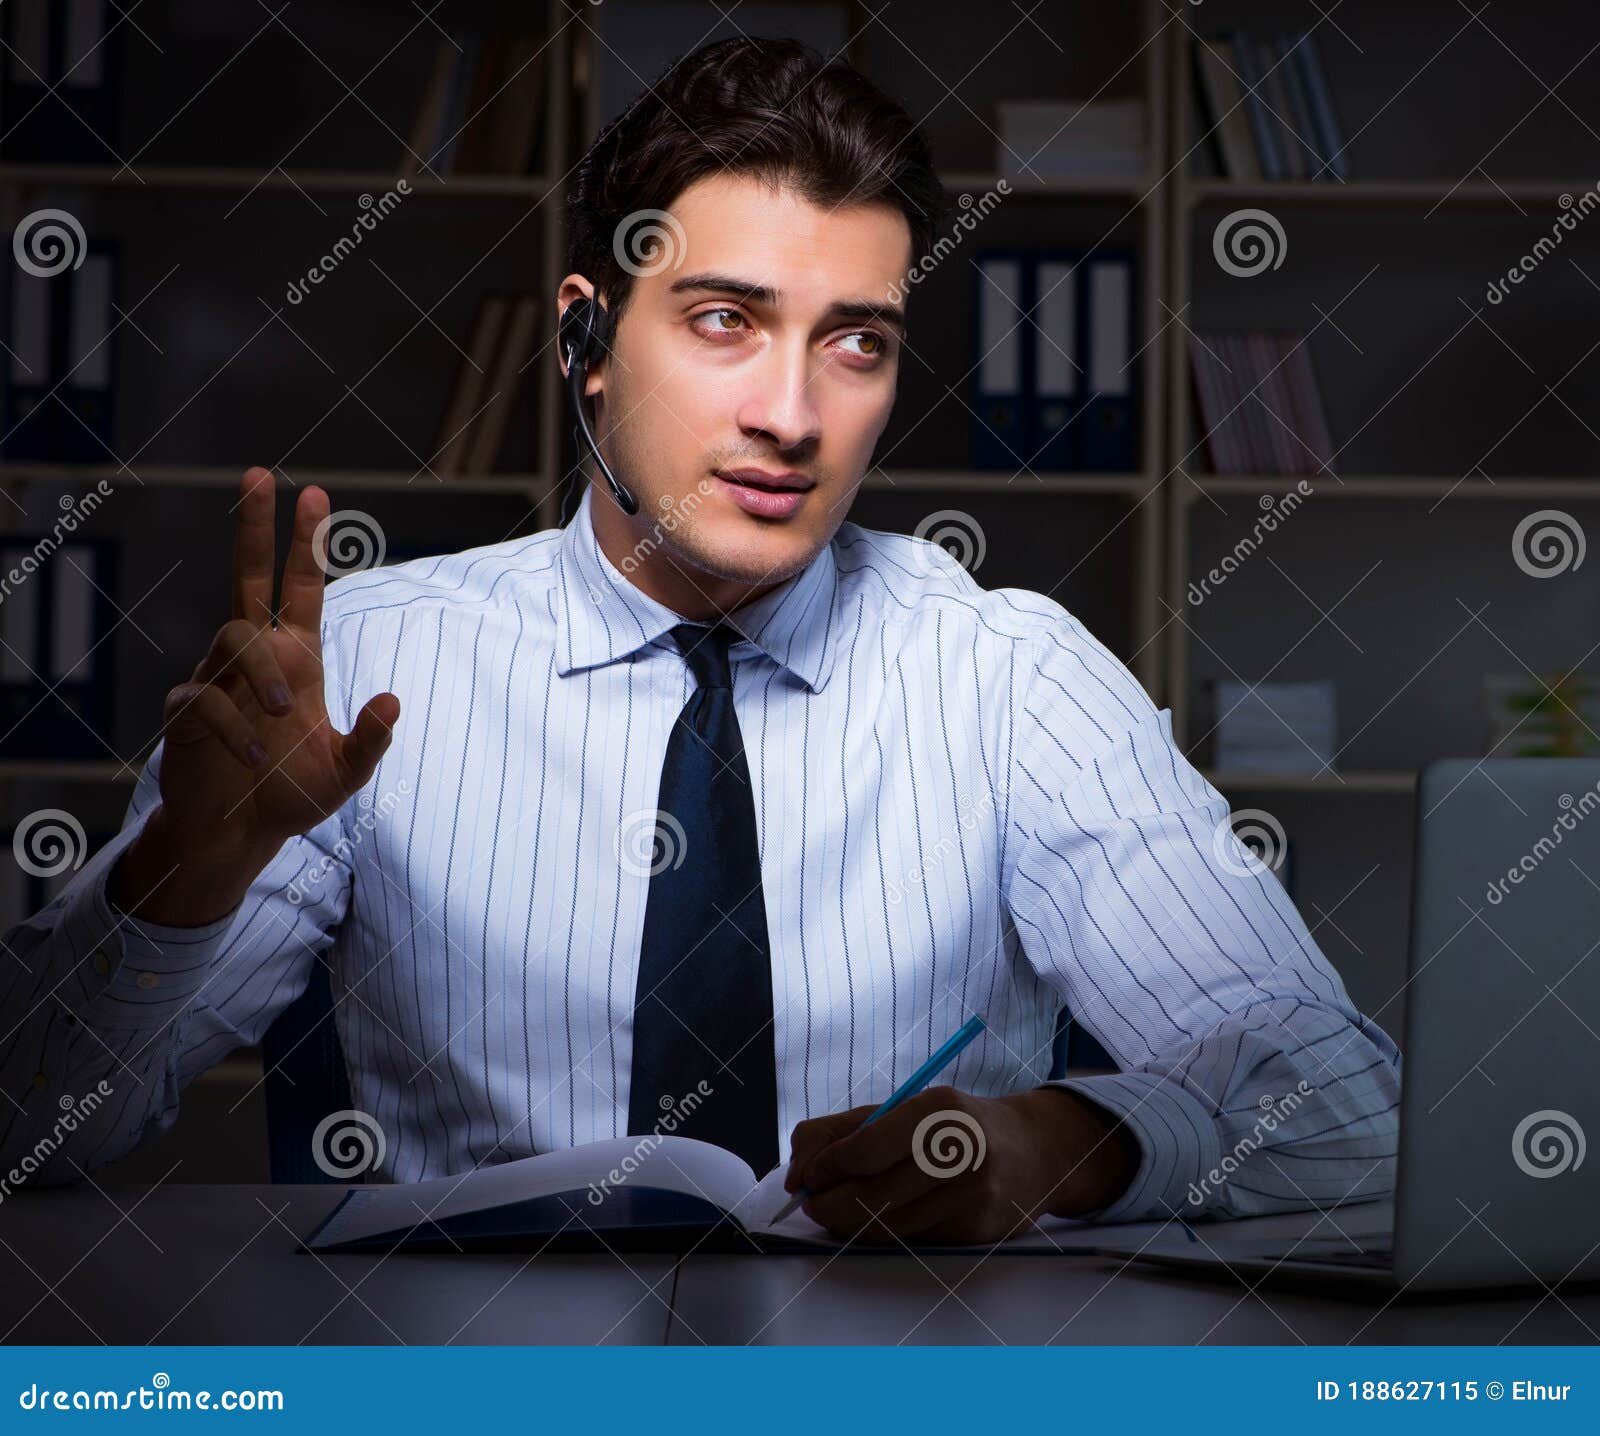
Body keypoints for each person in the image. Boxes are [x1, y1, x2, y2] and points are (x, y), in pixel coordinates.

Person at [0, 35, 1398, 1245]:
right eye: (725, 321)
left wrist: (1055, 1145)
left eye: (856, 343)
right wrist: (187, 869)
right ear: (586, 341)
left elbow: (1351, 1114)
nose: (791, 414)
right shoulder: (364, 668)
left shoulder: (1015, 678)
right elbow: (30, 1129)